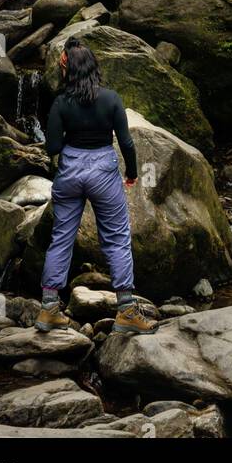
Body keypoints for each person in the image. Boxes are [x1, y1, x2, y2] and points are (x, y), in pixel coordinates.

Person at [36, 38, 156, 336]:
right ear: (93, 67)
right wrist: (131, 172)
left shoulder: (61, 103)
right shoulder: (111, 99)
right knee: (116, 238)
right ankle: (126, 311)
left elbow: (51, 146)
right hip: (103, 170)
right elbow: (126, 143)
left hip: (70, 171)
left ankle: (49, 308)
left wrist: (72, 147)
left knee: (61, 237)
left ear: (69, 70)